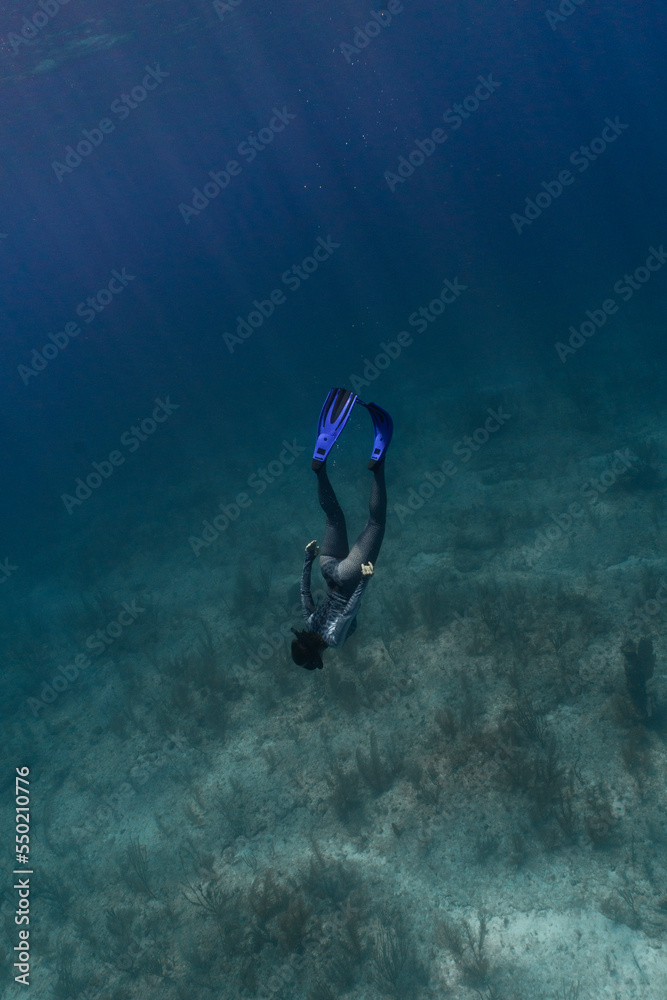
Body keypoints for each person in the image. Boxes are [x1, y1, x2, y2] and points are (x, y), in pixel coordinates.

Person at [291, 387, 392, 670]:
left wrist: (364, 579)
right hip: (328, 567)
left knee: (376, 522)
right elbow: (305, 594)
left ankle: (378, 465)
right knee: (334, 515)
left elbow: (348, 611)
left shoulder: (333, 640)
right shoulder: (309, 622)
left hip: (349, 578)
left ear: (316, 654)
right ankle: (320, 470)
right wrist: (309, 559)